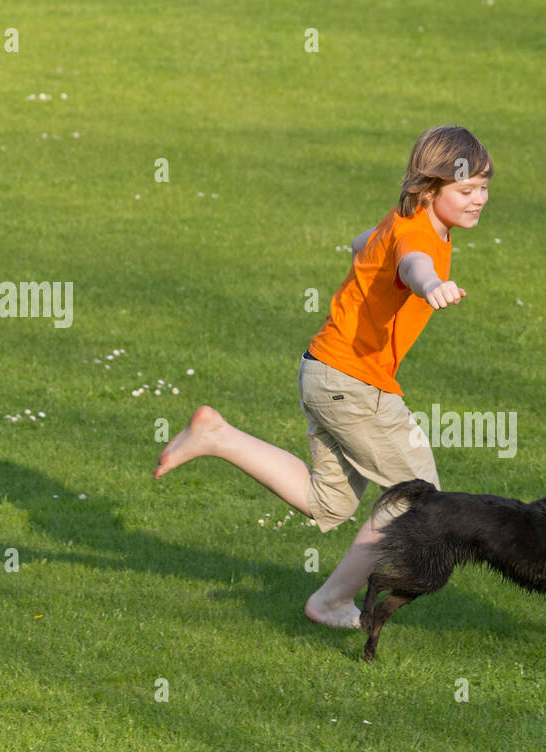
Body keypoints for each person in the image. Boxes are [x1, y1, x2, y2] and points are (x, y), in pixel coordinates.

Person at [154, 124, 492, 628]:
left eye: (484, 187)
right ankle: (332, 600)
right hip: (354, 384)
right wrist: (432, 285)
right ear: (428, 188)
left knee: (328, 503)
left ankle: (217, 435)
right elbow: (415, 264)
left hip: (324, 373)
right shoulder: (418, 239)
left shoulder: (403, 223)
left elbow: (364, 244)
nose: (479, 199)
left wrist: (376, 255)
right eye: (466, 190)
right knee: (417, 497)